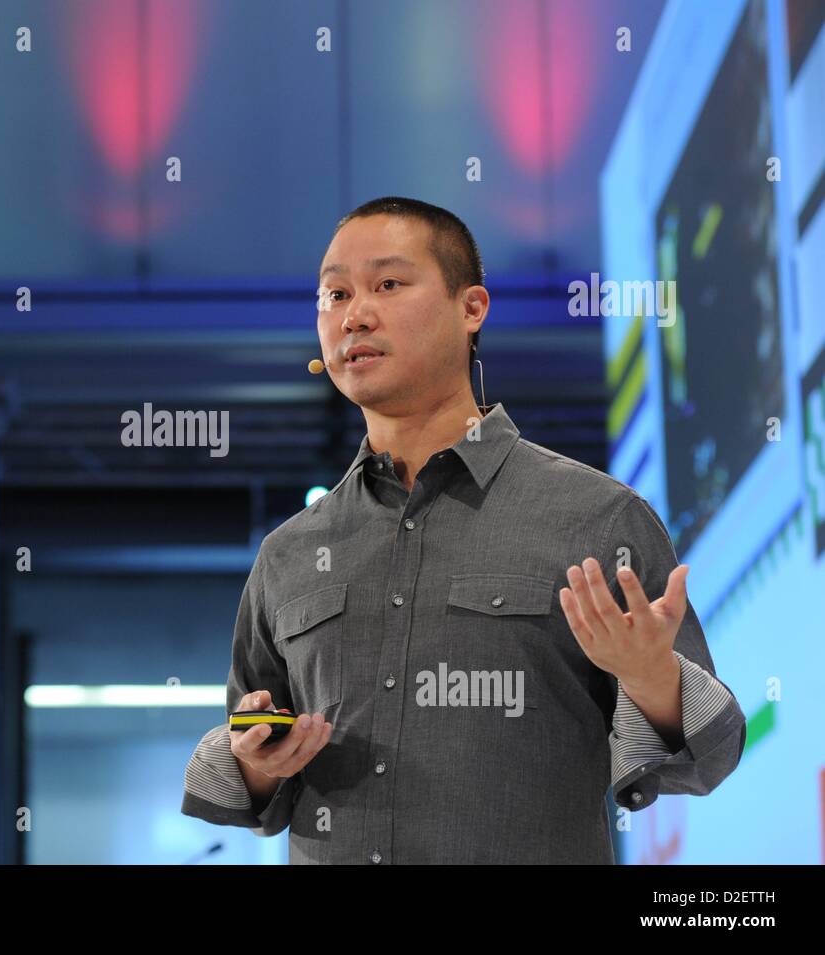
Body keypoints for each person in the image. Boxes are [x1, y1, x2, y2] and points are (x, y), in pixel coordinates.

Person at [180, 197, 746, 864]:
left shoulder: (597, 517)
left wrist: (653, 677)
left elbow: (708, 758)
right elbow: (253, 779)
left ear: (471, 307)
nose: (353, 313)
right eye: (334, 293)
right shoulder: (289, 554)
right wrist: (256, 760)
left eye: (388, 284)